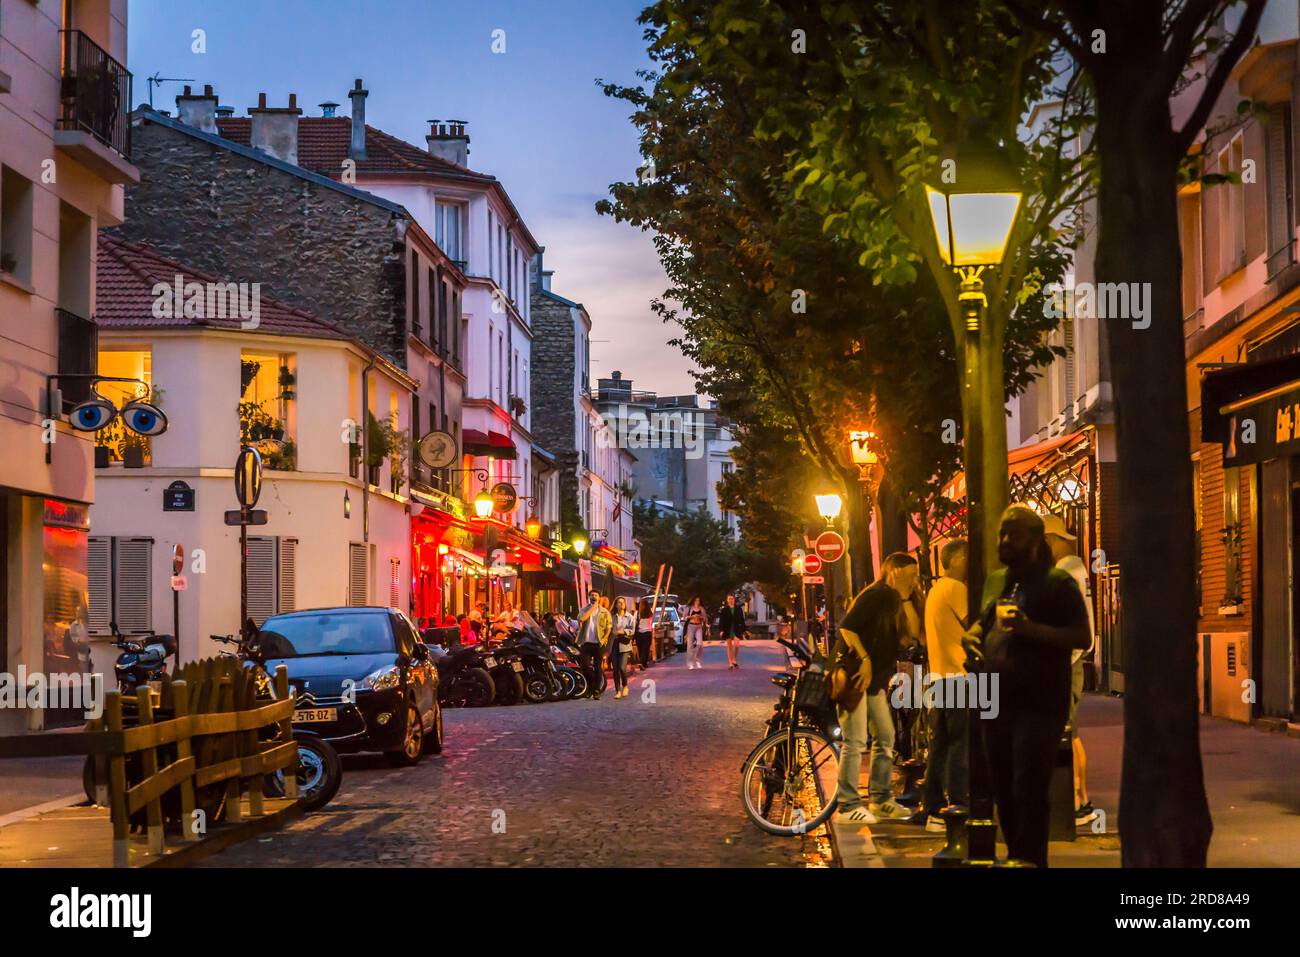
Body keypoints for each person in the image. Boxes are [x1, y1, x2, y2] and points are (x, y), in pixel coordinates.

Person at [962, 506, 1091, 868]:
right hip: (994, 699)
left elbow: (1081, 635)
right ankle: (1016, 856)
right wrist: (972, 639)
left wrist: (1030, 629)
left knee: (1028, 785)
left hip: (1039, 702)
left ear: (1035, 540)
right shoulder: (1000, 582)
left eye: (1013, 534)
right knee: (1002, 786)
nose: (1004, 541)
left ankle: (1028, 859)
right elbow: (982, 624)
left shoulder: (1057, 583)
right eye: (1002, 533)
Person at [832, 553, 921, 825]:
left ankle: (881, 800)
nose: (915, 579)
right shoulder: (875, 594)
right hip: (856, 676)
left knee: (885, 736)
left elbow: (912, 635)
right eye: (911, 574)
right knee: (856, 740)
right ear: (894, 571)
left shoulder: (895, 599)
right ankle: (848, 804)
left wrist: (906, 597)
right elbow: (847, 628)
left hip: (876, 682)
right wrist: (865, 658)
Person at [1041, 511, 1099, 827]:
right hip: (1072, 658)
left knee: (1068, 732)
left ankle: (1080, 800)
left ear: (1052, 541)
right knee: (1069, 732)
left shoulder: (1065, 572)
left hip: (1068, 661)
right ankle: (1079, 799)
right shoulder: (1076, 569)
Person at [920, 539, 970, 832]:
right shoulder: (956, 588)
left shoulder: (935, 591)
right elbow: (975, 624)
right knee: (960, 746)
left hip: (940, 676)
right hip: (961, 676)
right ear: (957, 559)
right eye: (968, 557)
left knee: (940, 745)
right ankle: (956, 807)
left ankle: (935, 807)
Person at [577, 594, 604, 700]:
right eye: (591, 595)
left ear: (599, 598)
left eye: (595, 595)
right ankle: (591, 686)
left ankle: (596, 690)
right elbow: (581, 619)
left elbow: (608, 626)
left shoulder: (604, 612)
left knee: (598, 668)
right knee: (585, 667)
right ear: (589, 598)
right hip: (586, 643)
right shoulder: (584, 609)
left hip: (598, 644)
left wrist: (604, 640)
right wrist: (592, 608)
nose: (593, 597)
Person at [610, 597, 637, 698]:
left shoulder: (630, 617)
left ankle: (625, 686)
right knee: (615, 669)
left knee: (622, 667)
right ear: (616, 605)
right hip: (614, 643)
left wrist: (623, 631)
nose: (621, 604)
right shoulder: (612, 617)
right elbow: (608, 628)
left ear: (625, 605)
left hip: (625, 644)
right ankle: (617, 691)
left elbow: (632, 630)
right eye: (619, 603)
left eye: (622, 603)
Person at [717, 594, 745, 670]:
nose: (731, 600)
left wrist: (744, 629)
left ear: (734, 599)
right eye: (729, 599)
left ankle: (734, 659)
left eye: (732, 599)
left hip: (736, 628)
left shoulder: (738, 608)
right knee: (729, 646)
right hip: (727, 629)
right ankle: (730, 663)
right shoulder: (724, 609)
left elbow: (742, 620)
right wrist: (721, 630)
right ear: (727, 600)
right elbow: (721, 621)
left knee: (736, 645)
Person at [684, 597, 707, 669]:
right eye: (696, 600)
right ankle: (690, 664)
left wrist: (700, 617)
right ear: (693, 601)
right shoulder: (689, 608)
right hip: (691, 626)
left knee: (700, 644)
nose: (697, 602)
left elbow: (705, 618)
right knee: (690, 645)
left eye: (699, 600)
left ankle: (697, 660)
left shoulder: (701, 608)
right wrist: (692, 616)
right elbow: (684, 617)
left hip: (699, 626)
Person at [634, 600, 654, 670]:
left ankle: (642, 663)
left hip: (639, 633)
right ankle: (642, 663)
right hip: (647, 633)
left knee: (640, 649)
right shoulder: (650, 613)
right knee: (646, 649)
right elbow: (651, 622)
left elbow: (634, 622)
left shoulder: (637, 613)